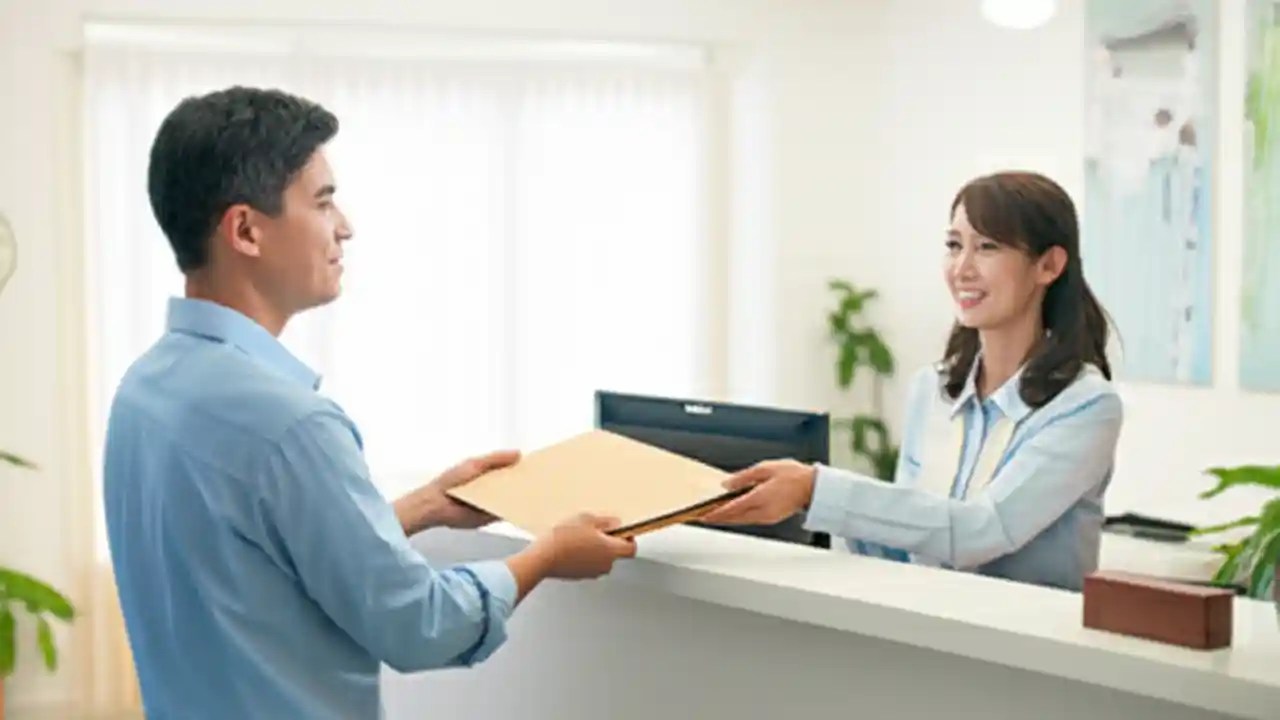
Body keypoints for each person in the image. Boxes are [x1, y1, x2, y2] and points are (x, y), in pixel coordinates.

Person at [102, 86, 636, 720]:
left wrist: (423, 507)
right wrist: (546, 555)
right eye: (322, 201)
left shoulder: (143, 390)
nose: (344, 227)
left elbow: (253, 564)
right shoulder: (291, 426)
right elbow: (421, 626)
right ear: (245, 230)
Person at [703, 171, 1122, 592]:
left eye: (987, 247)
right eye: (954, 246)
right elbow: (907, 542)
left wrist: (816, 490)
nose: (962, 268)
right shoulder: (932, 390)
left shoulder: (1085, 406)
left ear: (1048, 265)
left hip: (1022, 632)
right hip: (926, 620)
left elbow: (981, 531)